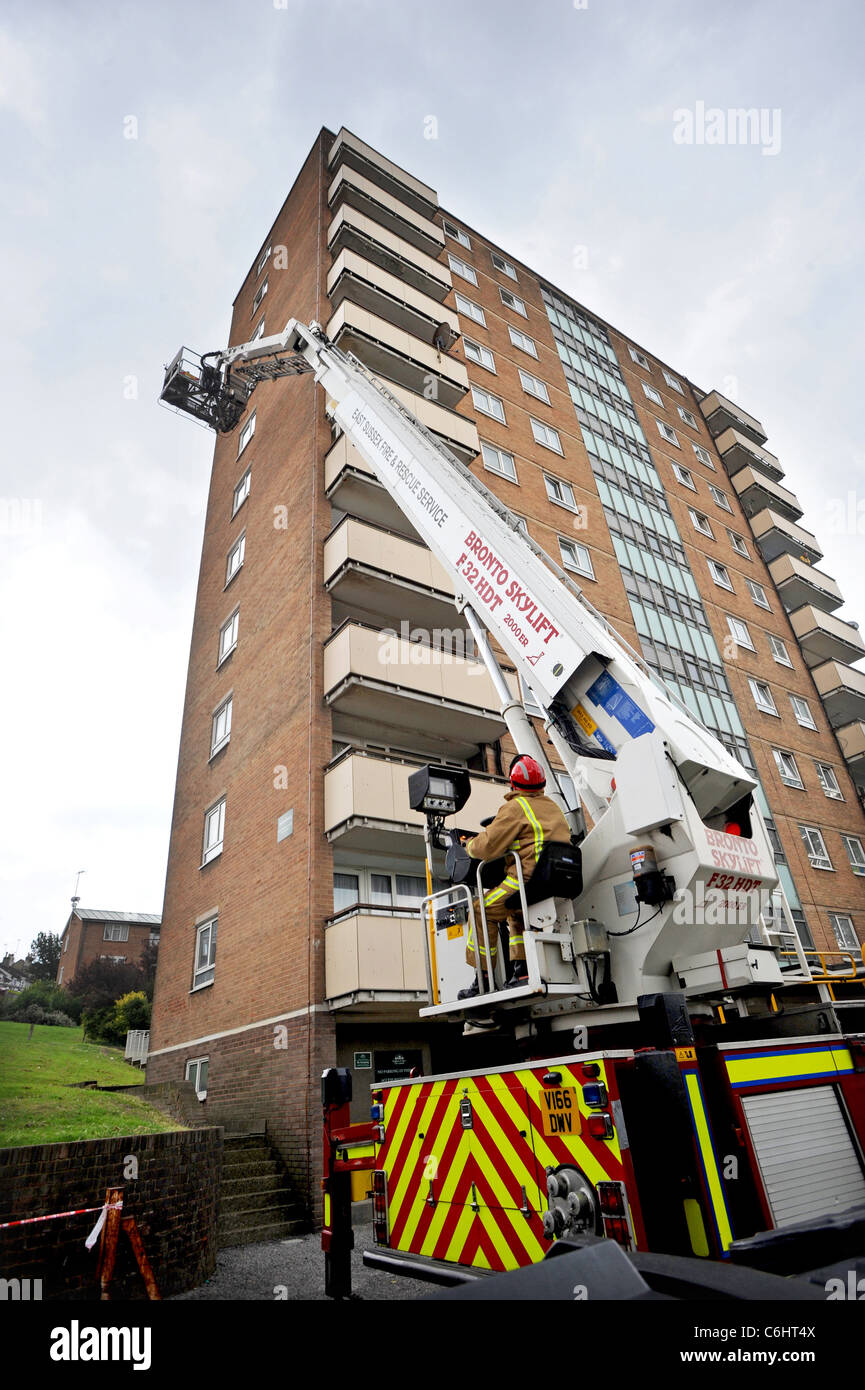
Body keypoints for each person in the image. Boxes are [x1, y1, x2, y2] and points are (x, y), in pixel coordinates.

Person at [459, 754, 571, 995]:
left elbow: (486, 846)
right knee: (517, 913)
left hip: (527, 879)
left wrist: (468, 845)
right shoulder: (554, 808)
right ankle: (522, 970)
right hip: (557, 880)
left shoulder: (515, 807)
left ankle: (483, 979)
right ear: (542, 783)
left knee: (480, 910)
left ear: (513, 784)